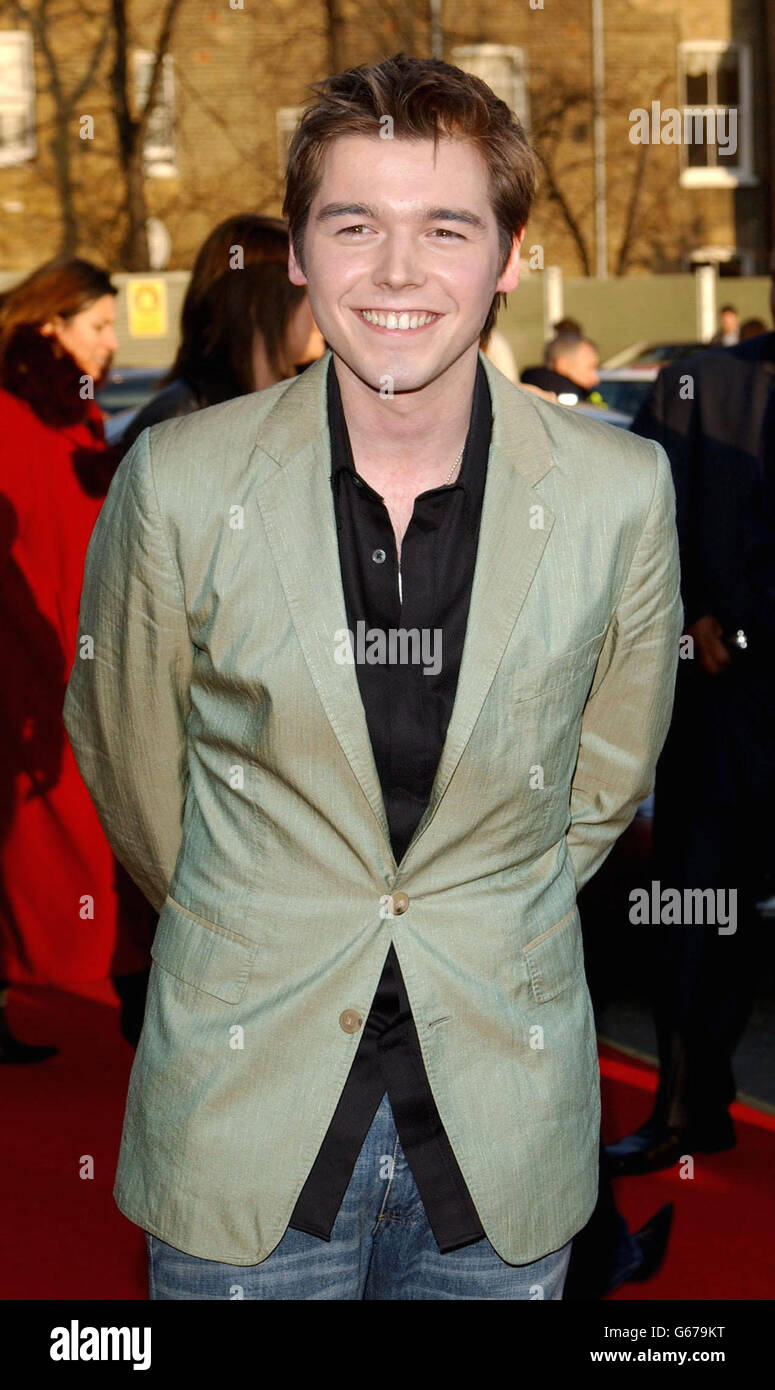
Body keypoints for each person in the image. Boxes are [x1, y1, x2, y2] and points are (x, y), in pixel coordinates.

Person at [64, 53, 682, 1300]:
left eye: (445, 227)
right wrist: (259, 909)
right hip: (244, 1127)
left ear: (508, 255)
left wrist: (481, 905)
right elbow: (133, 764)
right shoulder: (179, 481)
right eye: (354, 225)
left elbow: (606, 778)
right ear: (297, 253)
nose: (397, 273)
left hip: (501, 1134)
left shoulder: (622, 493)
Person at [605, 257, 775, 1176]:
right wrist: (687, 607)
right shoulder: (698, 386)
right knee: (697, 917)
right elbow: (627, 514)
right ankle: (683, 1109)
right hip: (715, 711)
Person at [0, 256, 156, 1062]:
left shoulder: (75, 414)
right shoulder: (14, 410)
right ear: (49, 322)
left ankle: (111, 991)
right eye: (97, 325)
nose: (110, 345)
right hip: (26, 653)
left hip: (68, 646)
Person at [119, 214, 323, 455]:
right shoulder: (172, 427)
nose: (323, 305)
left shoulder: (309, 406)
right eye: (310, 289)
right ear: (259, 302)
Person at [520, 332, 601, 402]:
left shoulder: (523, 392)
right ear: (563, 365)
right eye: (590, 367)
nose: (596, 378)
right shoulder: (570, 400)